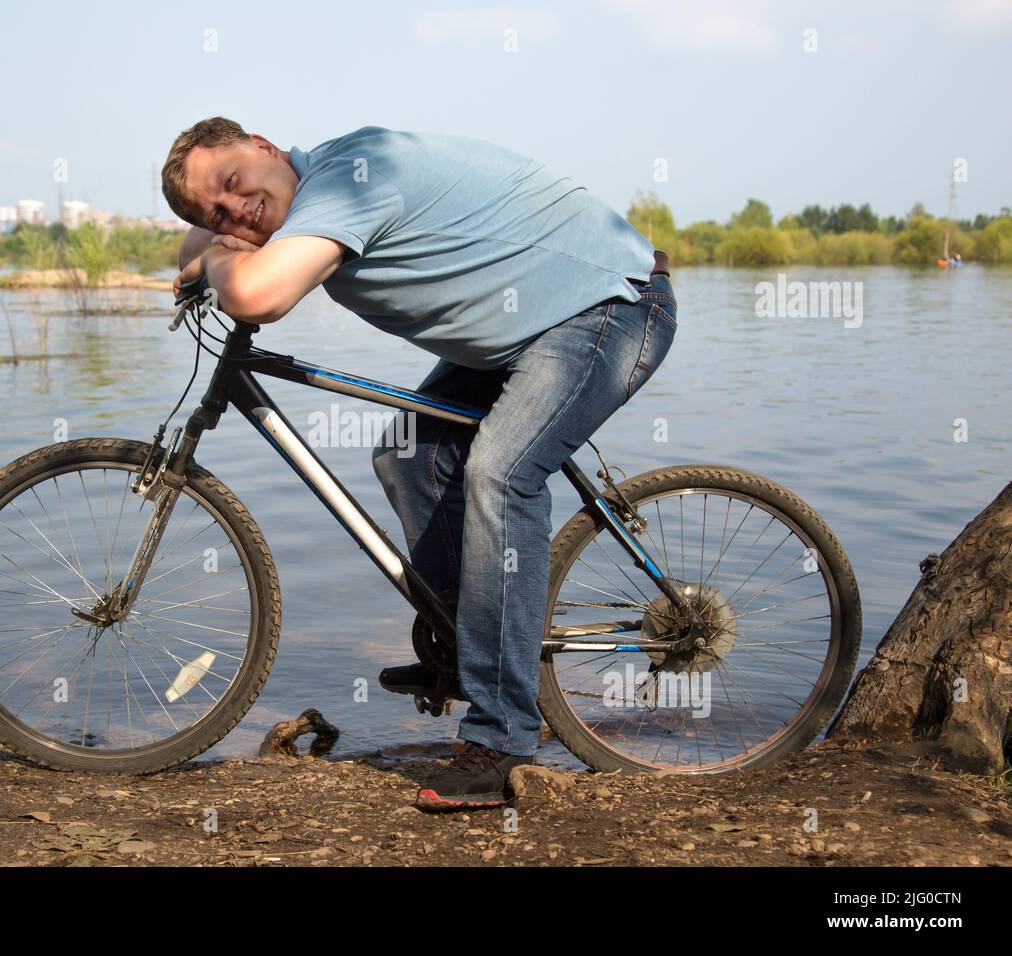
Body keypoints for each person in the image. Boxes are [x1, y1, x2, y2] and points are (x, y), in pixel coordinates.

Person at [162, 117, 676, 809]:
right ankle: (475, 653)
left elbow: (261, 296)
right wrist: (210, 244)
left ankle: (501, 742)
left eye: (233, 184)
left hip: (609, 309)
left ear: (261, 144)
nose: (236, 209)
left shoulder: (348, 179)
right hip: (528, 334)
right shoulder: (312, 186)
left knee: (499, 473)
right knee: (407, 458)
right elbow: (202, 238)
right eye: (218, 210)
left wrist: (216, 260)